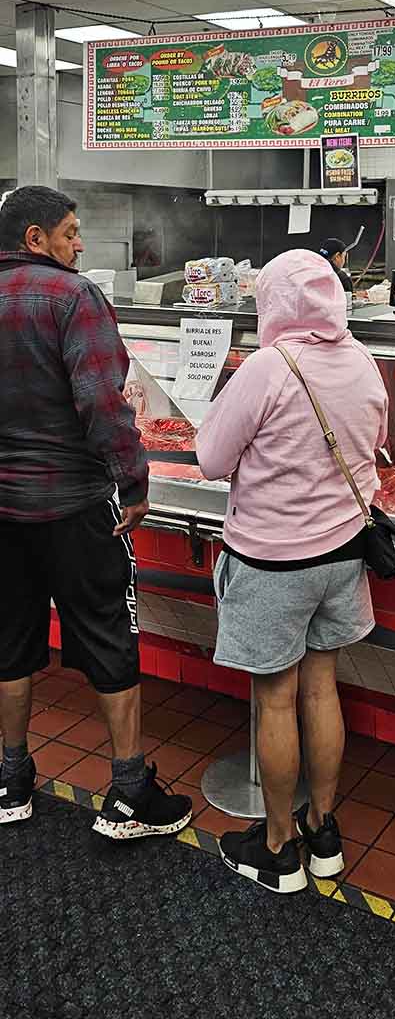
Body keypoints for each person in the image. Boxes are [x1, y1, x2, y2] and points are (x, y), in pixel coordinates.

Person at [0, 185, 192, 839]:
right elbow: (103, 406)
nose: (80, 244)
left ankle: (11, 778)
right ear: (36, 238)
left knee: (10, 641)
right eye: (72, 231)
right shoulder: (73, 296)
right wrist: (134, 483)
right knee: (110, 636)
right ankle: (132, 791)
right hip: (76, 506)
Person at [196, 249, 388, 895]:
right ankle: (323, 832)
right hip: (342, 557)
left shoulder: (268, 369)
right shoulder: (361, 361)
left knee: (276, 698)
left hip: (274, 561)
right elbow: (376, 437)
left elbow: (210, 458)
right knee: (322, 689)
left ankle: (279, 850)